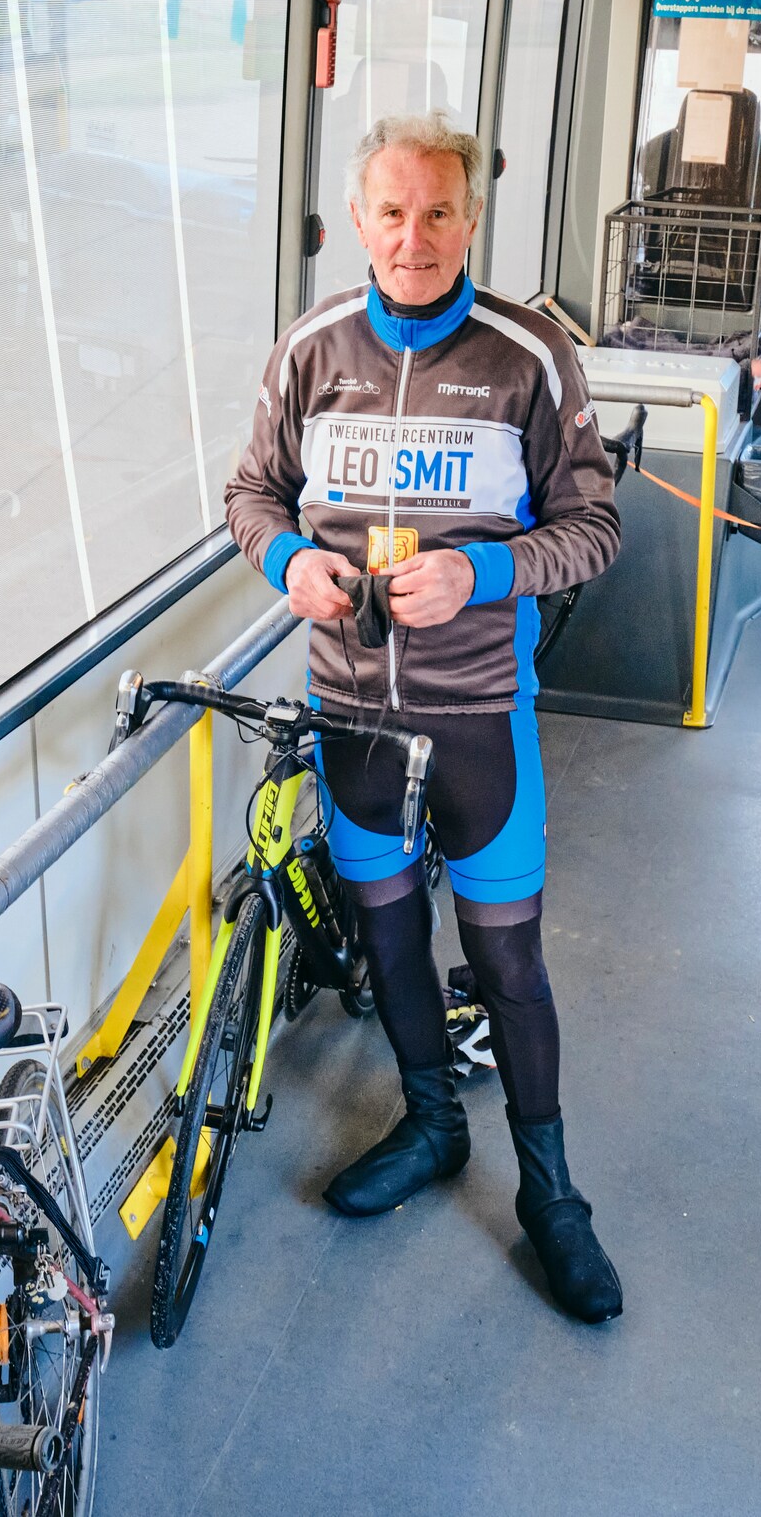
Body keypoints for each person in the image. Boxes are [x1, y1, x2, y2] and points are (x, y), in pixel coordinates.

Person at [224, 110, 625, 1323]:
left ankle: (553, 1196)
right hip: (348, 712)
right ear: (357, 221)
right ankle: (432, 1124)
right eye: (391, 212)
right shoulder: (308, 348)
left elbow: (595, 527)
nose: (414, 235)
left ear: (470, 220)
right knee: (388, 941)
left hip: (474, 717)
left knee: (505, 958)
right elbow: (250, 491)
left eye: (438, 211)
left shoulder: (530, 356)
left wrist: (484, 574)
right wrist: (286, 557)